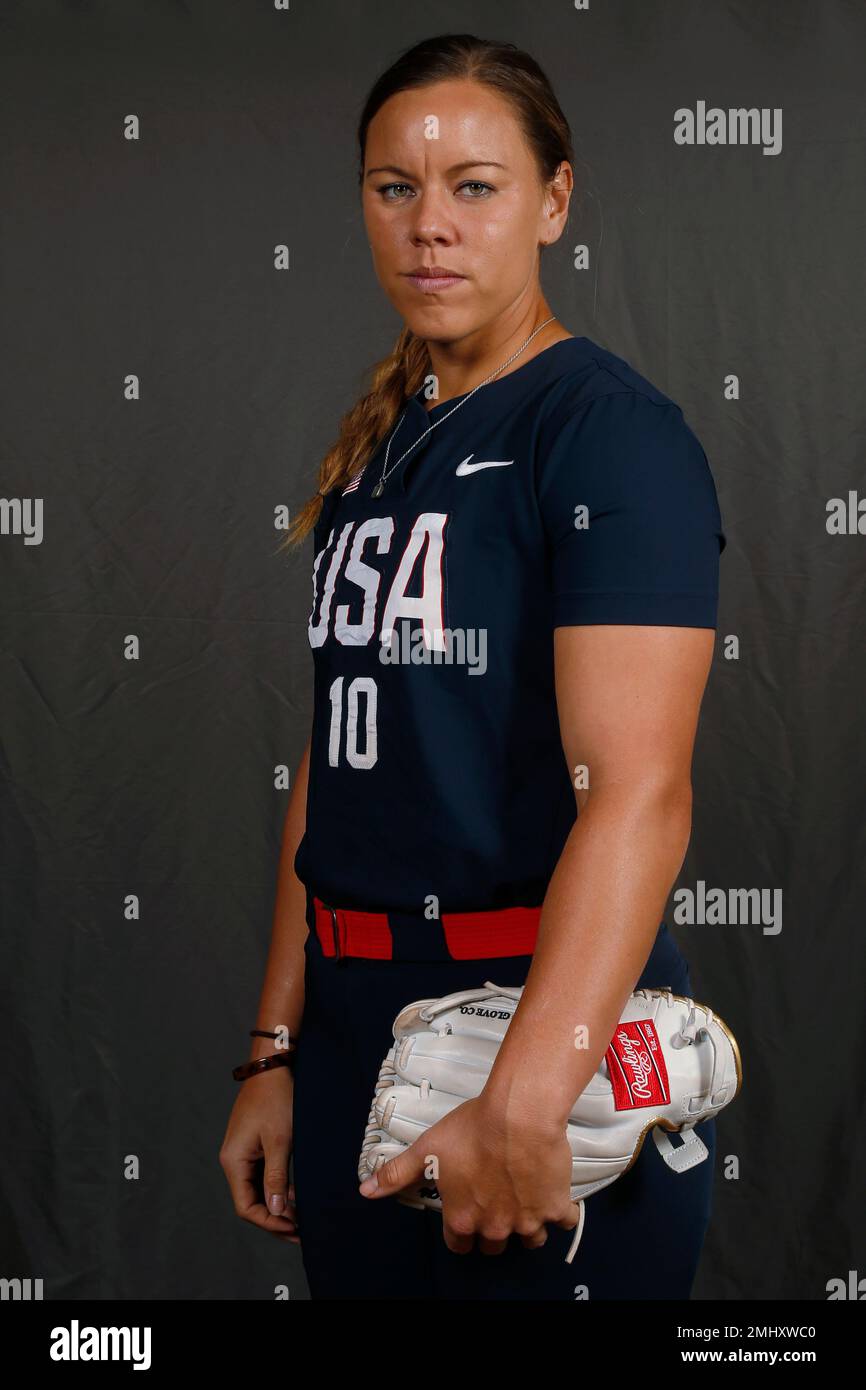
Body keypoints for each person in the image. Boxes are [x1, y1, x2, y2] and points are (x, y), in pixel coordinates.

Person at [219, 32, 727, 1301]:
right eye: (396, 188)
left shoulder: (605, 433)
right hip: (349, 1025)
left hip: (520, 1030)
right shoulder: (384, 442)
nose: (428, 226)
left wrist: (527, 1098)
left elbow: (638, 794)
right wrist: (273, 1048)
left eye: (474, 187)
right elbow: (336, 756)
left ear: (553, 201)